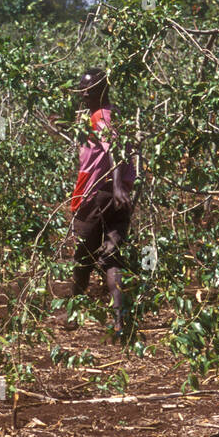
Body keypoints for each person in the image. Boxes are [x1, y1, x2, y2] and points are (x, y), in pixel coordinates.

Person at [66, 68, 135, 337]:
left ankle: (71, 313)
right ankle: (120, 319)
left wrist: (116, 186)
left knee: (82, 257)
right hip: (115, 194)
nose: (83, 94)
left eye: (88, 89)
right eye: (82, 89)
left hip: (99, 194)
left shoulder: (101, 116)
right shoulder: (110, 113)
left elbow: (113, 146)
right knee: (110, 257)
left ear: (99, 91)